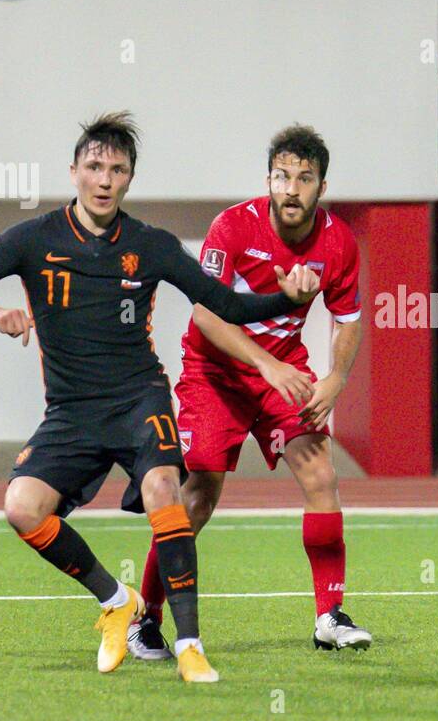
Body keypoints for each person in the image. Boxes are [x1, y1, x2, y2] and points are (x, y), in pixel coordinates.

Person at [0, 111, 320, 683]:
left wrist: (284, 298)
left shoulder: (152, 246)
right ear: (74, 173)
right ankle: (117, 602)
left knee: (166, 488)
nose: (105, 178)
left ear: (130, 179)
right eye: (94, 166)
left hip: (140, 398)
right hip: (71, 412)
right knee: (21, 508)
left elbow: (226, 305)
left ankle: (189, 644)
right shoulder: (33, 238)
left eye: (117, 169)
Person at [128, 124, 372, 660]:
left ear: (321, 187)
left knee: (321, 475)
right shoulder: (233, 228)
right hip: (215, 373)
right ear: (268, 179)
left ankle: (329, 616)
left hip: (284, 370)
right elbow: (207, 314)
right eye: (282, 176)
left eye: (304, 178)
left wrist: (335, 379)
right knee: (197, 497)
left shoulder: (338, 242)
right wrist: (266, 365)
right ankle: (144, 618)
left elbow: (349, 318)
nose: (291, 188)